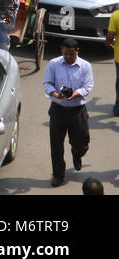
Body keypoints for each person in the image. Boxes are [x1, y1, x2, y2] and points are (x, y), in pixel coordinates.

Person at [44, 39, 93, 187]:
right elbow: (47, 83)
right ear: (61, 50)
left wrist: (77, 93)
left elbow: (88, 86)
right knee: (56, 144)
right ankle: (58, 174)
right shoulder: (53, 64)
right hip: (58, 109)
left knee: (82, 142)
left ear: (77, 51)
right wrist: (54, 93)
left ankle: (77, 154)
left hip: (78, 110)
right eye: (65, 54)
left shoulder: (85, 66)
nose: (68, 57)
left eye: (71, 55)